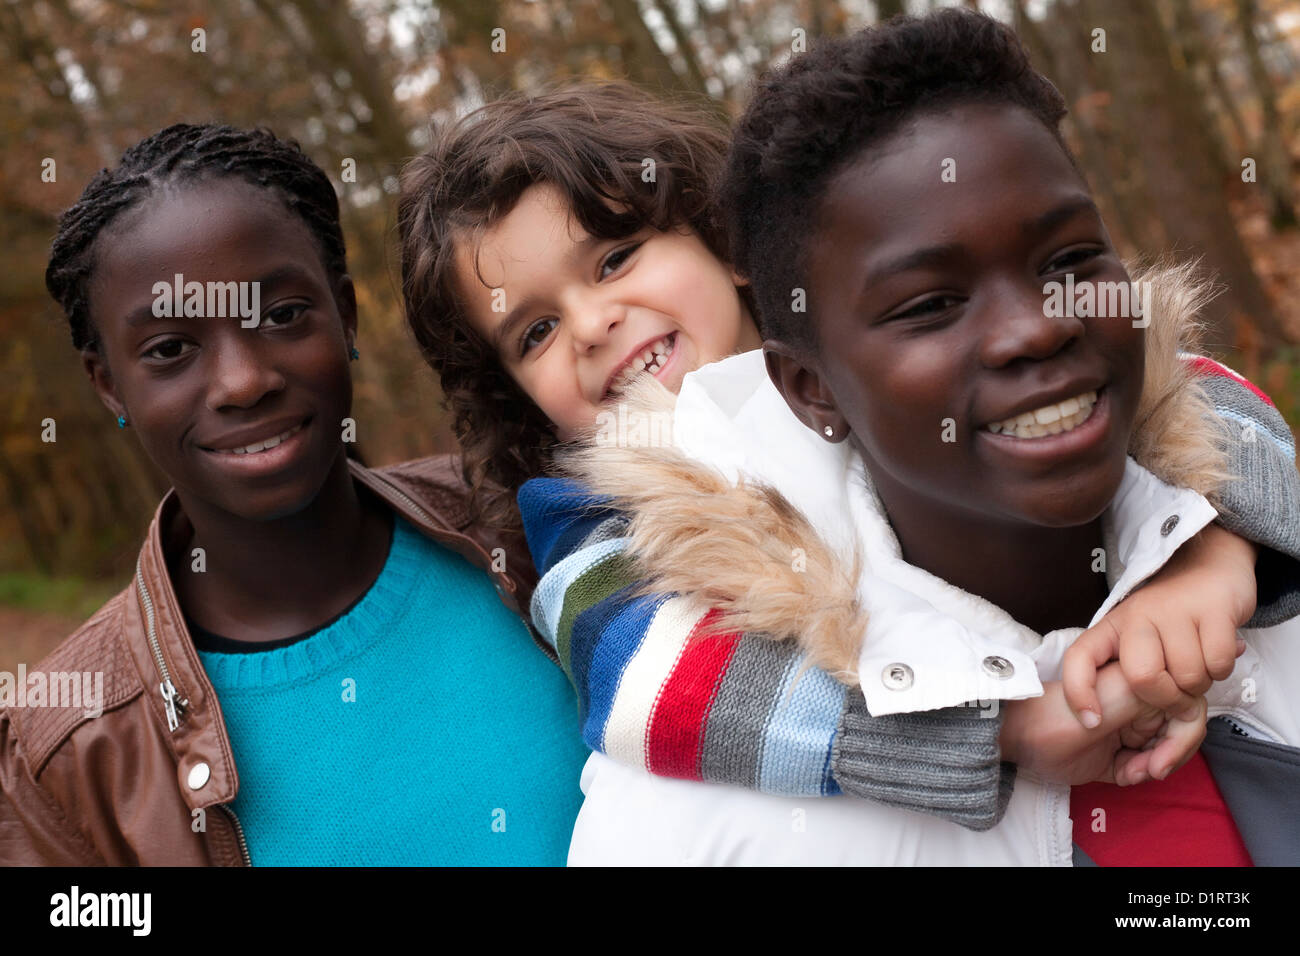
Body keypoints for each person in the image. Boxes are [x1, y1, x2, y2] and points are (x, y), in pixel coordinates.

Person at [397, 79, 1300, 835]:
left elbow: (1190, 385)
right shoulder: (588, 525)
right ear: (514, 393)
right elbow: (646, 684)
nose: (594, 326)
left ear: (725, 243)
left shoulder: (888, 351)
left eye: (617, 258)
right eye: (537, 330)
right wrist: (992, 732)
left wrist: (1218, 560)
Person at [0, 124, 588, 866]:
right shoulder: (64, 749)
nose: (243, 380)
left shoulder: (534, 517)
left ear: (344, 315)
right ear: (108, 383)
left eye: (280, 316)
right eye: (171, 349)